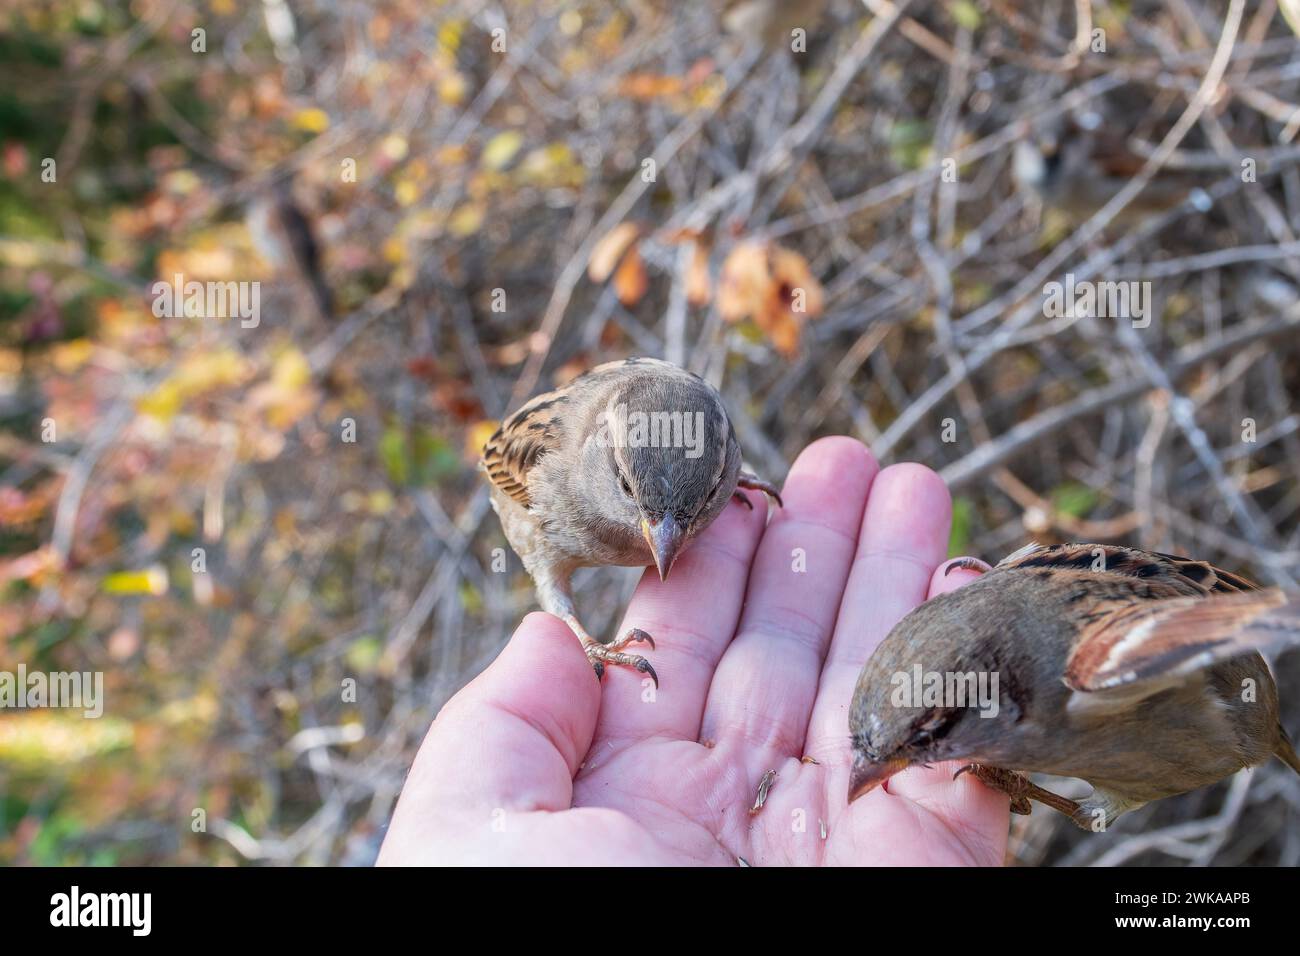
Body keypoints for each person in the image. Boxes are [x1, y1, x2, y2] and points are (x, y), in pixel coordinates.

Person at [378, 437, 1009, 865]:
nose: (666, 543)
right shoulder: (549, 462)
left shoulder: (692, 423)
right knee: (554, 631)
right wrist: (584, 642)